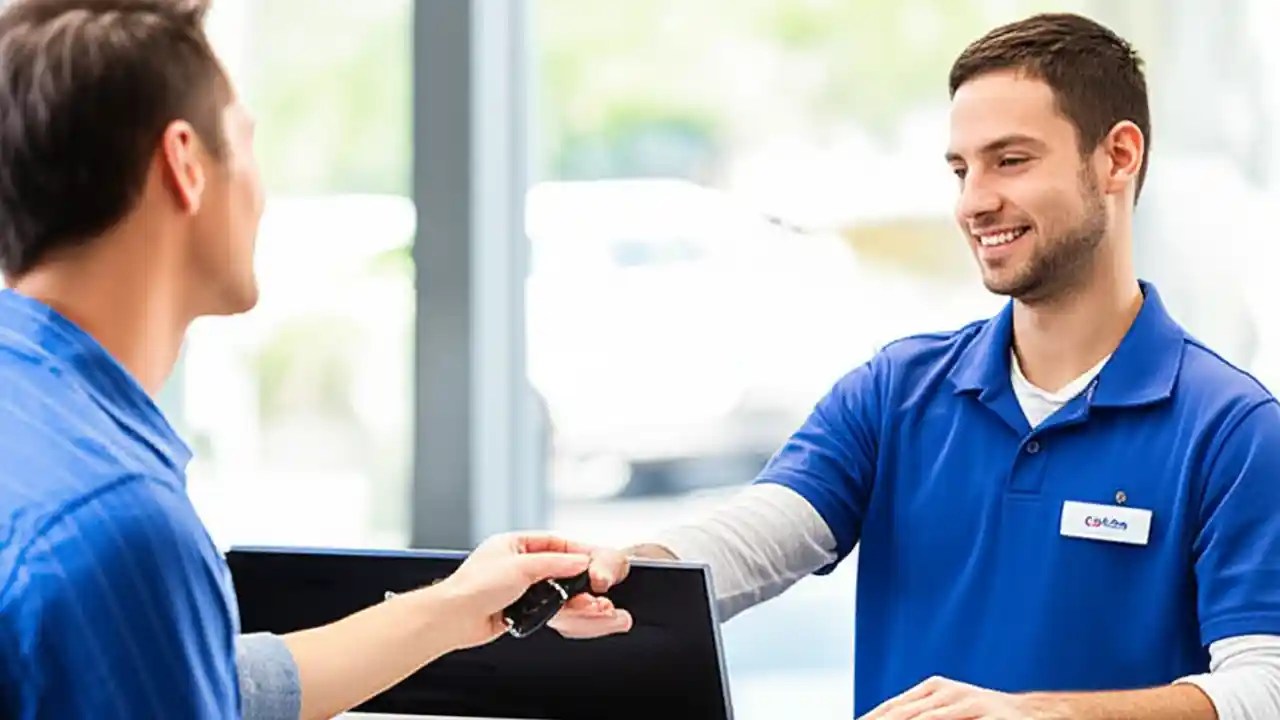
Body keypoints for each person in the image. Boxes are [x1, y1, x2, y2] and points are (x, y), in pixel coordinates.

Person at [556, 12, 1280, 720]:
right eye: (962, 168)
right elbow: (754, 540)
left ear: (1118, 157)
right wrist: (627, 570)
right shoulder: (895, 393)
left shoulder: (1232, 431)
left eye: (1012, 160)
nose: (974, 201)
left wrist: (1041, 714)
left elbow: (1265, 688)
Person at [0, 1, 627, 718]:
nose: (262, 195)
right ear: (185, 164)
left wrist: (453, 608)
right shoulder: (115, 526)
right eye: (245, 141)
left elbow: (209, 679)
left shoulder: (36, 430)